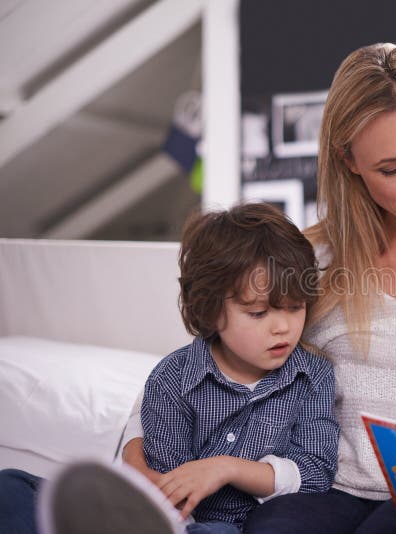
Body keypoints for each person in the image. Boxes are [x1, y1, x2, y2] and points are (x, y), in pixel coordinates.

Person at [116, 42, 396, 533]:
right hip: (324, 491)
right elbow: (196, 366)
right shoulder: (310, 261)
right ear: (349, 162)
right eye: (391, 169)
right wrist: (140, 465)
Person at [0, 202, 339, 534]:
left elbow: (313, 472)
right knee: (11, 486)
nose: (283, 327)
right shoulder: (173, 377)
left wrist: (226, 469)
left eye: (295, 307)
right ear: (210, 311)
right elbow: (165, 484)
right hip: (165, 515)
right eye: (258, 313)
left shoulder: (314, 377)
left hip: (224, 527)